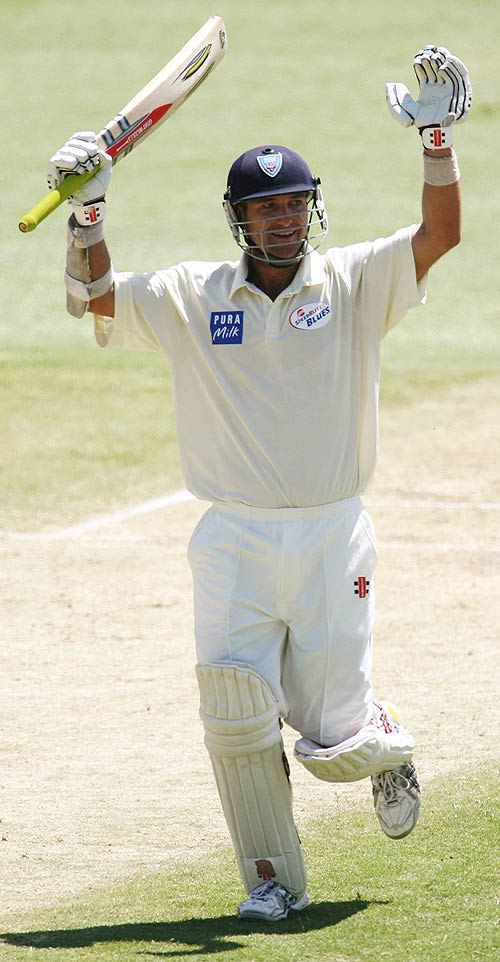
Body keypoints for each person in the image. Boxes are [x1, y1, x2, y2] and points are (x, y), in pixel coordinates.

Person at [47, 45, 471, 921]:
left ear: (312, 210)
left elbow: (440, 237)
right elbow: (95, 300)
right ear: (240, 219)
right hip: (233, 538)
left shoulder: (353, 280)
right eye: (264, 208)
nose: (281, 220)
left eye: (292, 205)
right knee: (235, 716)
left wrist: (435, 139)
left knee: (332, 744)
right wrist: (86, 216)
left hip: (329, 533)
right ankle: (271, 883)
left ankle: (384, 743)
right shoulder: (195, 296)